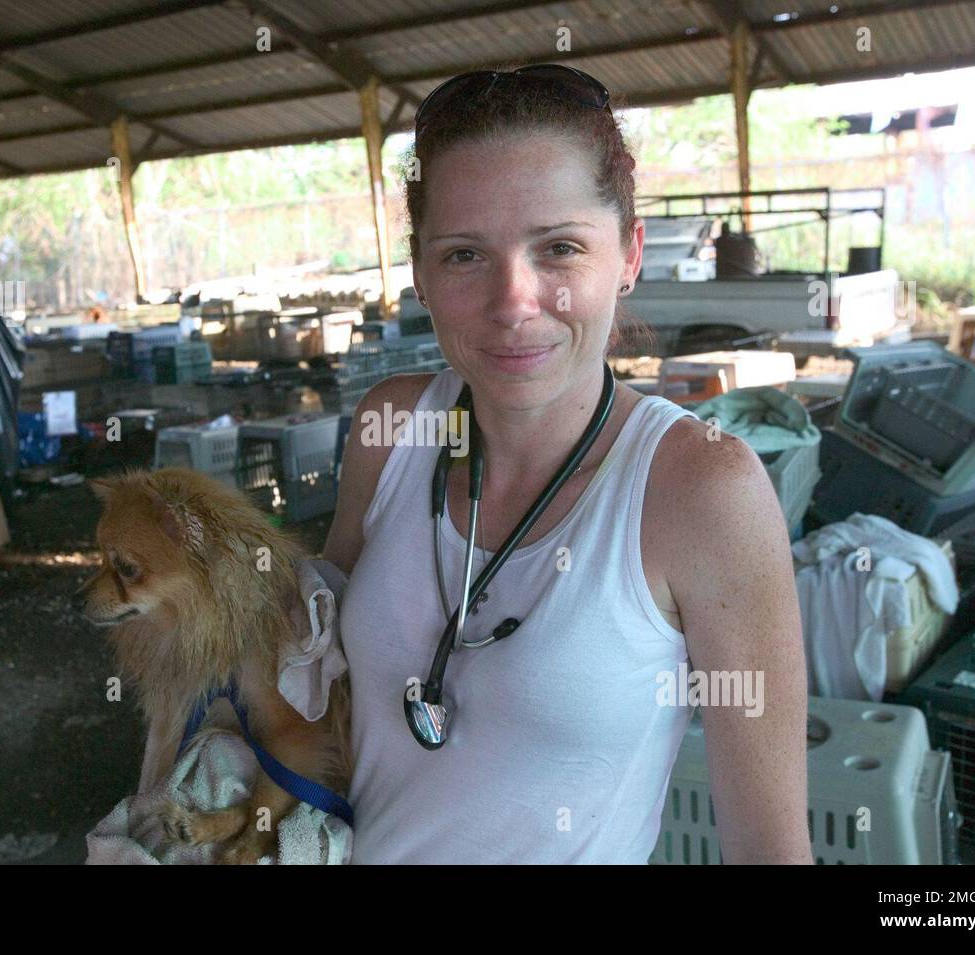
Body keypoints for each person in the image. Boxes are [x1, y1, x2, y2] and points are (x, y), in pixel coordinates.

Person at [322, 65, 811, 864]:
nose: (515, 300)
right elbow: (318, 691)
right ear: (419, 271)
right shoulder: (391, 430)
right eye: (464, 255)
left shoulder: (697, 491)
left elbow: (768, 847)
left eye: (559, 248)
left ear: (629, 254)